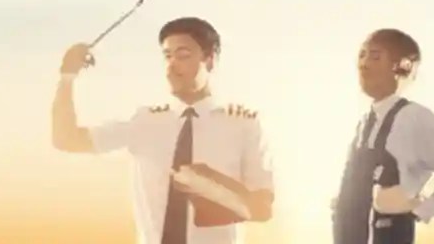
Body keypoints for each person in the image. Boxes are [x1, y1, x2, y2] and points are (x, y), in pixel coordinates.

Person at [51, 17, 275, 244]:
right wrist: (67, 77)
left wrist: (211, 187)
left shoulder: (242, 125)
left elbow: (263, 208)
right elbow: (66, 139)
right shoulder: (145, 123)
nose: (172, 65)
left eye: (183, 55)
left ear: (210, 59)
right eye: (167, 56)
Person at [332, 28, 434, 243]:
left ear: (404, 66)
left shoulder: (414, 119)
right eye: (362, 55)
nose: (364, 64)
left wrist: (420, 207)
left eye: (375, 56)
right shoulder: (363, 124)